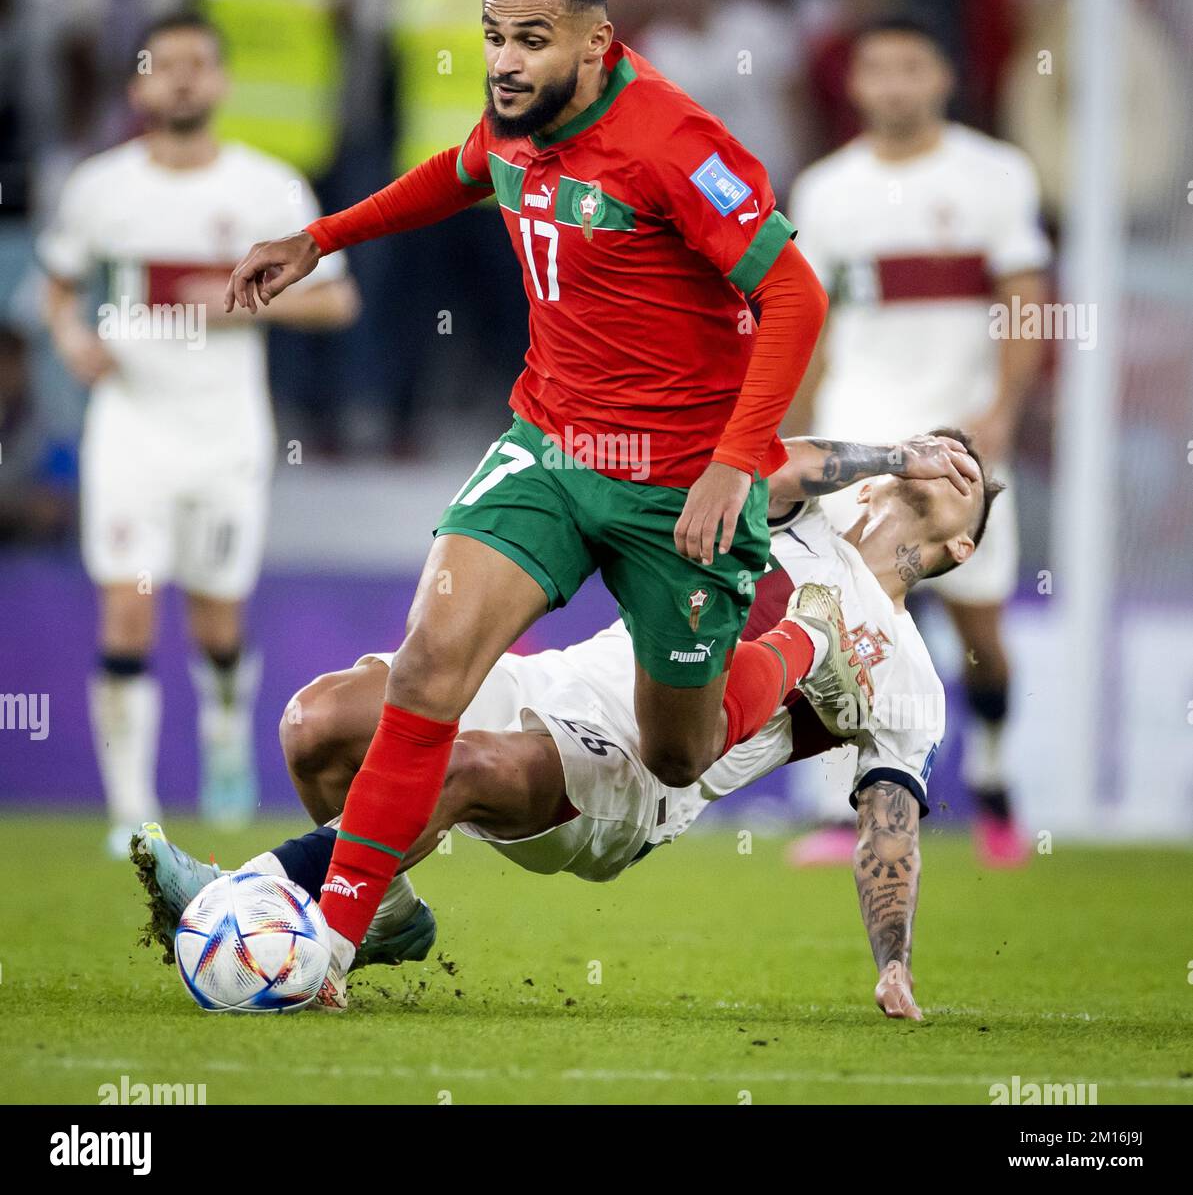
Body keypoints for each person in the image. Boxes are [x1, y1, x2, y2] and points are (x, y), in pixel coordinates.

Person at [223, 0, 830, 1005]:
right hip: (546, 447)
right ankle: (336, 940)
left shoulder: (674, 142)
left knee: (679, 753)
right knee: (425, 672)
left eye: (531, 40)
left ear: (597, 42)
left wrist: (736, 464)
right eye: (494, 38)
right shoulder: (518, 123)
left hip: (676, 484)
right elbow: (455, 175)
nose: (504, 62)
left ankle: (808, 642)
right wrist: (321, 237)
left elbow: (793, 297)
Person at [134, 430, 995, 1020]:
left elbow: (889, 826)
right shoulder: (801, 514)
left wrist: (892, 960)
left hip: (632, 778)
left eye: (968, 478)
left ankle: (262, 915)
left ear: (964, 549)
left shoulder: (909, 677)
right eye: (936, 450)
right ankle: (385, 909)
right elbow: (751, 471)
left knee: (458, 766)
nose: (949, 466)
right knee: (316, 721)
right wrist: (886, 450)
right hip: (552, 681)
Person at [41, 14, 359, 854]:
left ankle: (224, 727)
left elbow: (337, 299)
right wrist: (72, 339)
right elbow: (58, 288)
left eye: (197, 65)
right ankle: (129, 814)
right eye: (164, 66)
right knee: (128, 610)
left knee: (217, 621)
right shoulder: (99, 188)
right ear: (138, 86)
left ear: (219, 83)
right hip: (130, 427)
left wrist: (243, 299)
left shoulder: (268, 190)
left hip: (225, 431)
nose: (181, 80)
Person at [782, 14, 1050, 868]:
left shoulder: (994, 174)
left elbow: (1025, 302)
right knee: (844, 621)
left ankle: (997, 785)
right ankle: (839, 807)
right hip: (862, 435)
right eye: (877, 69)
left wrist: (1004, 408)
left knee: (979, 629)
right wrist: (796, 431)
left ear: (942, 77)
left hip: (962, 437)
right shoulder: (824, 189)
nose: (893, 84)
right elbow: (808, 326)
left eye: (911, 66)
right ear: (854, 86)